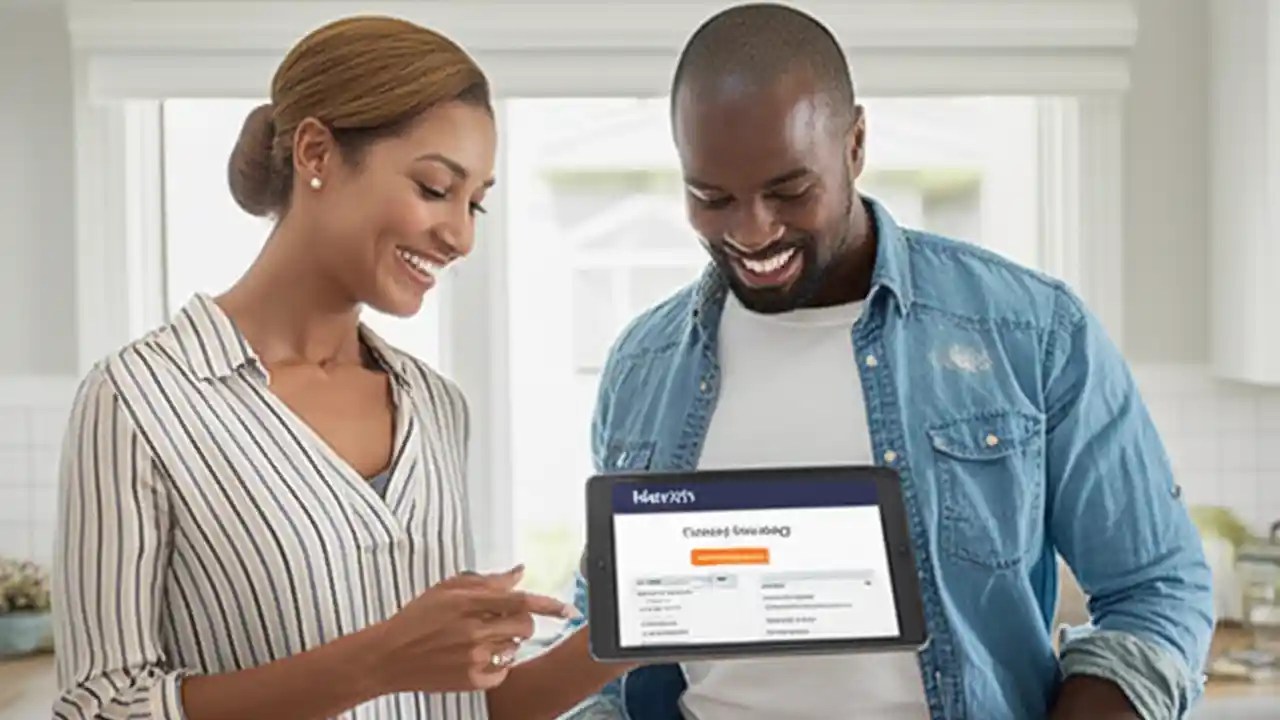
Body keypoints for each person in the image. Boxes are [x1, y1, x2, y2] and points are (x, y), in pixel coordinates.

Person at [562, 4, 1215, 719]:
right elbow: (605, 643)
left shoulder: (1029, 331)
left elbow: (1156, 592)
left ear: (855, 144)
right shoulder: (643, 364)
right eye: (710, 198)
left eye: (789, 190)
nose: (752, 230)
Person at [51, 16, 623, 720]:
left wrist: (641, 624)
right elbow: (98, 708)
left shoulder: (436, 407)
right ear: (316, 152)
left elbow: (466, 708)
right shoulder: (137, 402)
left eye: (475, 202)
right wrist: (379, 660)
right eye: (435, 188)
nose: (461, 234)